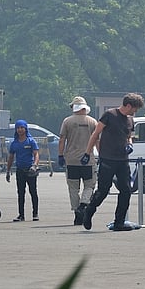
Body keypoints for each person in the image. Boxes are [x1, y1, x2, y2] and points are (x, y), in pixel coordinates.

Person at [81, 92, 145, 232]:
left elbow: (129, 136)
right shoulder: (110, 115)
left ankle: (119, 222)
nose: (135, 112)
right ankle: (89, 211)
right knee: (104, 190)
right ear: (128, 105)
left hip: (123, 160)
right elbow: (95, 134)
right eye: (135, 108)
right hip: (108, 159)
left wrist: (130, 144)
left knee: (126, 191)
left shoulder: (130, 120)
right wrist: (87, 152)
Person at [58, 96, 98, 225]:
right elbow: (97, 140)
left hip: (71, 160)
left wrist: (60, 155)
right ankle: (83, 205)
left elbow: (62, 139)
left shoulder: (67, 121)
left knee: (73, 188)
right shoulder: (92, 122)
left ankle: (77, 212)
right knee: (89, 185)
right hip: (88, 160)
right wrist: (101, 156)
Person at [5, 120, 41, 222]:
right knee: (21, 193)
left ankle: (35, 214)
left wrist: (34, 165)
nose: (20, 130)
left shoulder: (31, 141)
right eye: (18, 128)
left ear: (25, 129)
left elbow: (36, 154)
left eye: (22, 127)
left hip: (30, 170)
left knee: (33, 192)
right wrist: (8, 171)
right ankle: (21, 215)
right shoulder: (14, 143)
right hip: (20, 170)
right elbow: (11, 157)